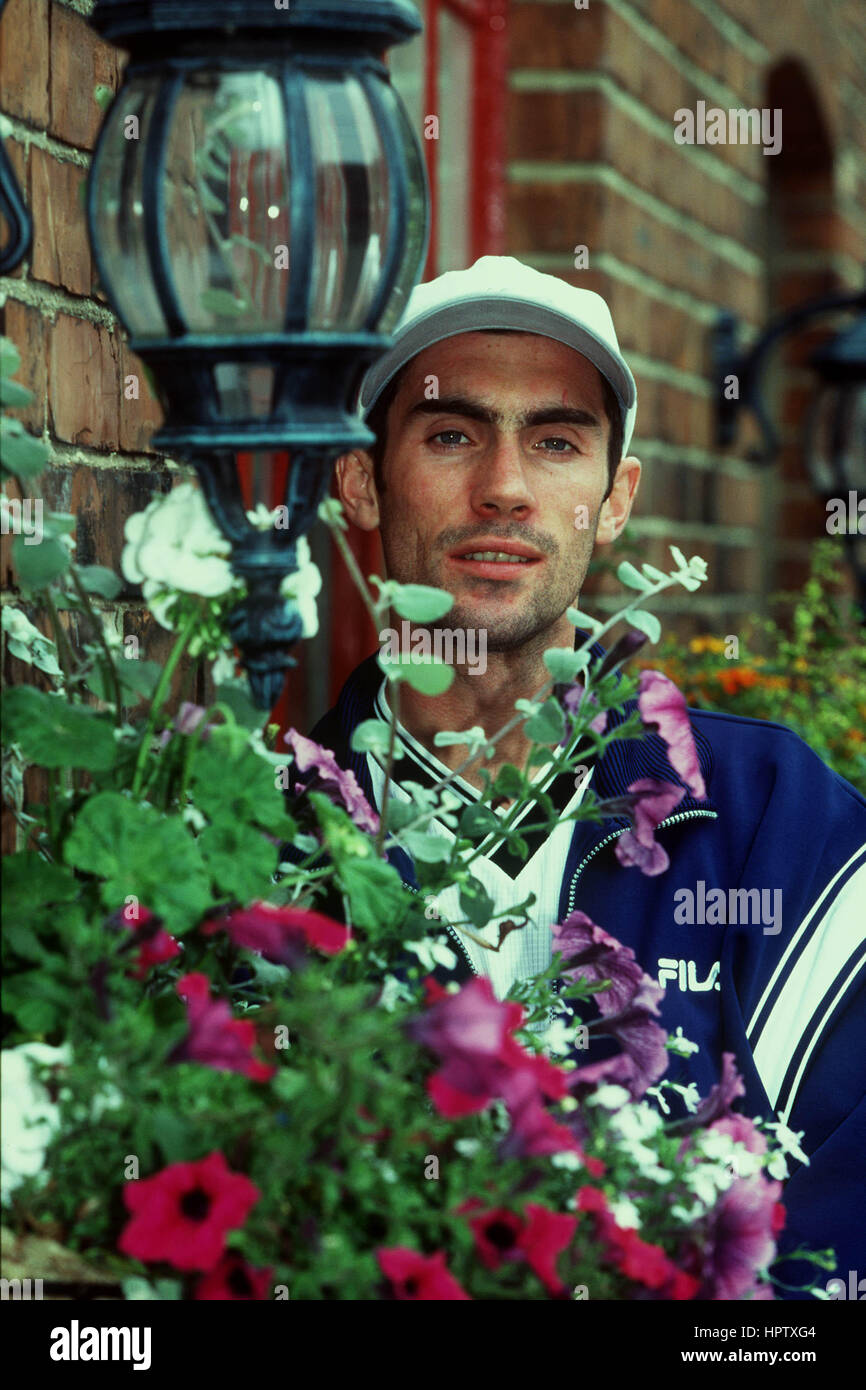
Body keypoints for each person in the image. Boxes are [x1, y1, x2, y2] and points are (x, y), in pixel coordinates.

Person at [295, 256, 866, 1298]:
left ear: (612, 500)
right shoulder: (263, 830)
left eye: (556, 440)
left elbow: (843, 1217)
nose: (504, 485)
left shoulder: (770, 816)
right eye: (451, 433)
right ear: (360, 479)